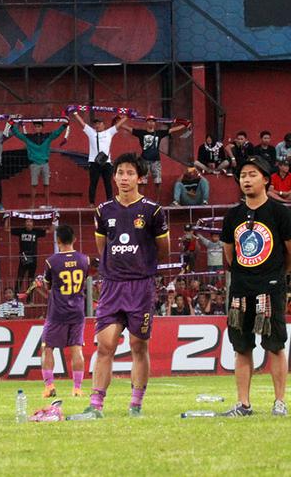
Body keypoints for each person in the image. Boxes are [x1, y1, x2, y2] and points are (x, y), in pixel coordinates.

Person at [69, 154, 169, 421]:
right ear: (114, 177)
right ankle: (95, 406)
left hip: (141, 286)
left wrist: (142, 264)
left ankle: (135, 405)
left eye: (130, 173)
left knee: (138, 345)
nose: (124, 178)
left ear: (140, 178)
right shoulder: (103, 210)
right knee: (105, 346)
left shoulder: (153, 211)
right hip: (112, 286)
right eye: (120, 173)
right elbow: (103, 247)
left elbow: (163, 249)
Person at [213, 156, 291, 417]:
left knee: (275, 345)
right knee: (241, 346)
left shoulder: (280, 212)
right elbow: (230, 253)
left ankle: (280, 402)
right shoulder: (233, 215)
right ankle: (243, 403)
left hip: (271, 288)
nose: (246, 180)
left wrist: (276, 275)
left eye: (252, 175)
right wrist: (246, 274)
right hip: (241, 289)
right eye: (243, 175)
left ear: (265, 180)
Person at [38, 224, 91, 398]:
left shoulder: (51, 262)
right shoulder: (85, 260)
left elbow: (48, 286)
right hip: (77, 311)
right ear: (74, 239)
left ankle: (49, 386)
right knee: (76, 349)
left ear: (58, 240)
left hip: (57, 312)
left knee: (47, 348)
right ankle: (77, 388)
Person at [70, 110, 127, 205]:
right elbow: (82, 123)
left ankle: (110, 202)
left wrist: (127, 116)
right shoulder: (91, 132)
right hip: (94, 162)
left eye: (99, 123)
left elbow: (118, 125)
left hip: (107, 162)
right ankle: (91, 203)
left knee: (108, 184)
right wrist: (75, 113)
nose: (97, 125)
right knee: (93, 183)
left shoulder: (109, 132)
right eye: (96, 123)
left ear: (104, 125)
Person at [10, 119, 67, 207]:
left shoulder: (47, 136)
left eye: (39, 126)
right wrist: (12, 125)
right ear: (34, 128)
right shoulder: (29, 137)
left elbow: (56, 133)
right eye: (36, 127)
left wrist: (64, 125)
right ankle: (32, 205)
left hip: (45, 163)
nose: (37, 128)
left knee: (46, 184)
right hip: (34, 164)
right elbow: (18, 134)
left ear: (42, 127)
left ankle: (47, 204)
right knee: (34, 185)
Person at [127, 116, 188, 198]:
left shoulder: (159, 133)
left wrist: (185, 125)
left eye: (153, 121)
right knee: (142, 182)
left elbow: (172, 130)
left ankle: (157, 201)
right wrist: (119, 124)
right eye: (149, 121)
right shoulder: (141, 133)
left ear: (155, 123)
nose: (151, 123)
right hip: (144, 160)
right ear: (146, 123)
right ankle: (141, 200)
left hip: (156, 161)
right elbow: (130, 129)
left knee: (158, 182)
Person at [9, 217, 49, 294]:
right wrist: (7, 218)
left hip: (33, 258)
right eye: (27, 221)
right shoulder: (21, 231)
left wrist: (54, 220)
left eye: (30, 221)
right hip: (23, 258)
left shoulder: (36, 231)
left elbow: (50, 230)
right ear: (25, 223)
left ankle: (29, 298)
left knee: (31, 279)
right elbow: (7, 229)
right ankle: (15, 296)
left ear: (33, 224)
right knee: (20, 277)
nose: (29, 223)